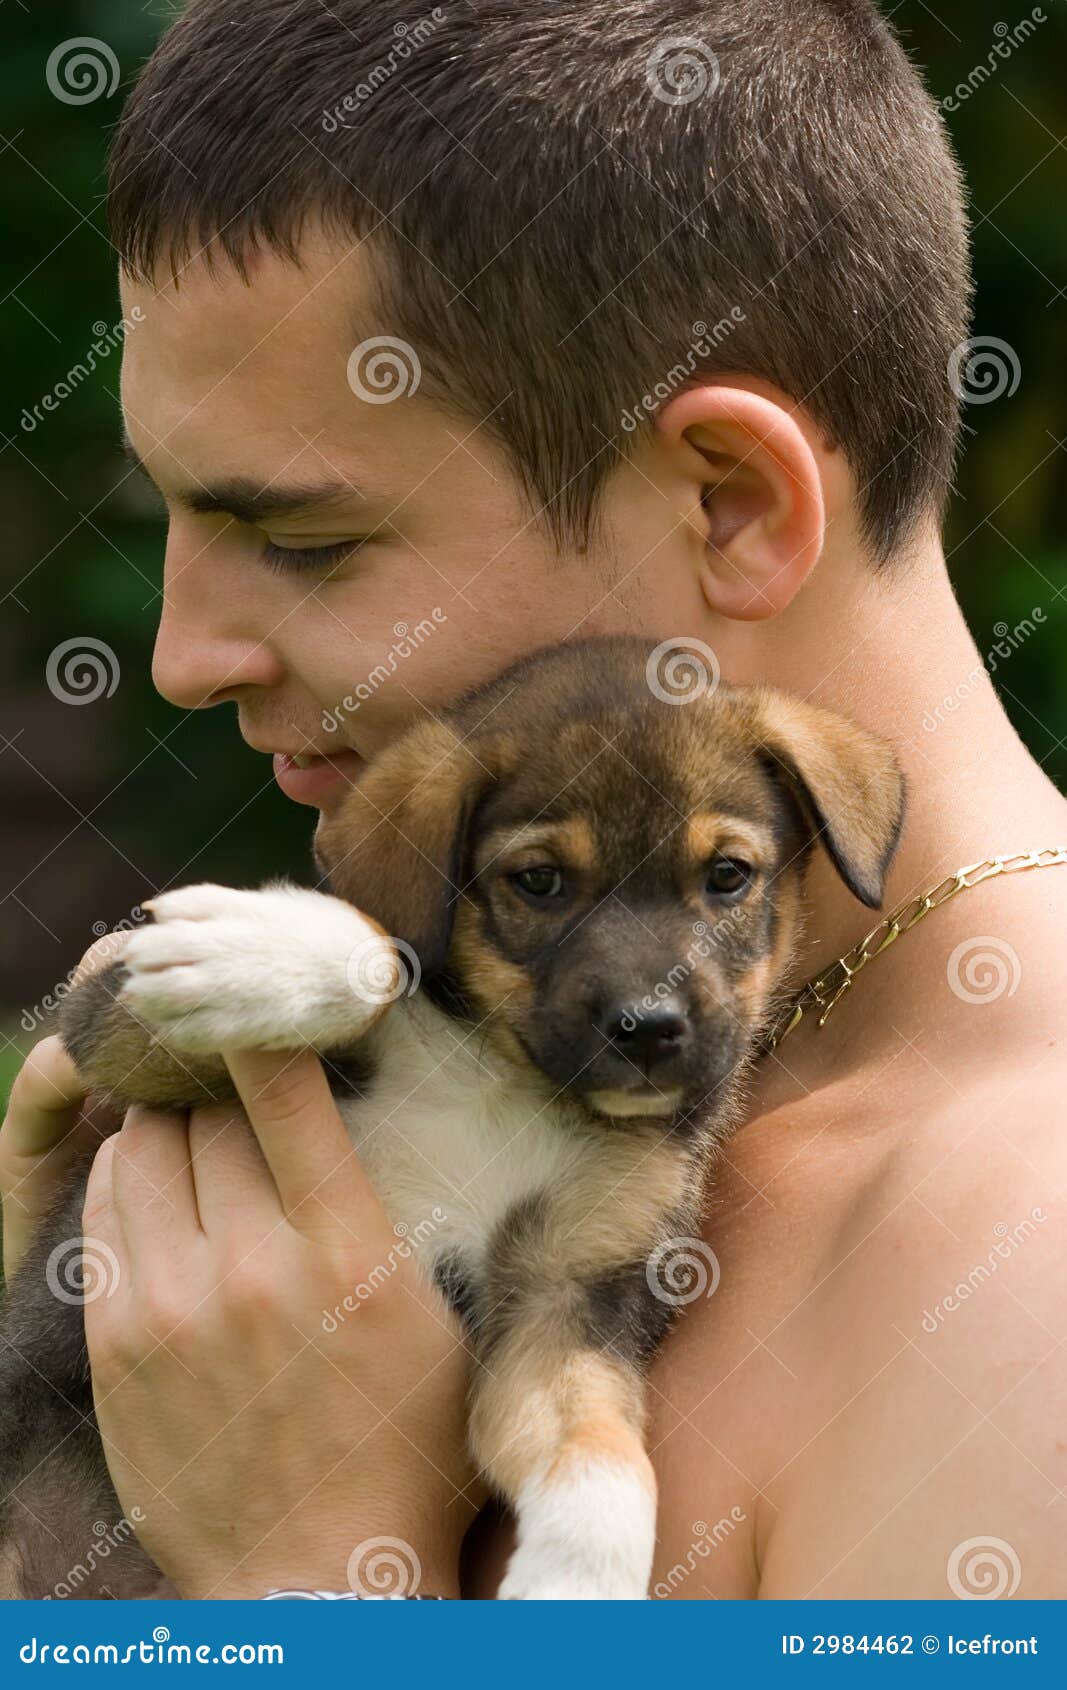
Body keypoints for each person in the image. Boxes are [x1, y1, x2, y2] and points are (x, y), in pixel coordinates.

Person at [3, 0, 1065, 1600]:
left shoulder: (1016, 1272)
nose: (178, 657)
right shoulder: (428, 999)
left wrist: (311, 1576)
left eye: (305, 540)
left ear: (730, 501)